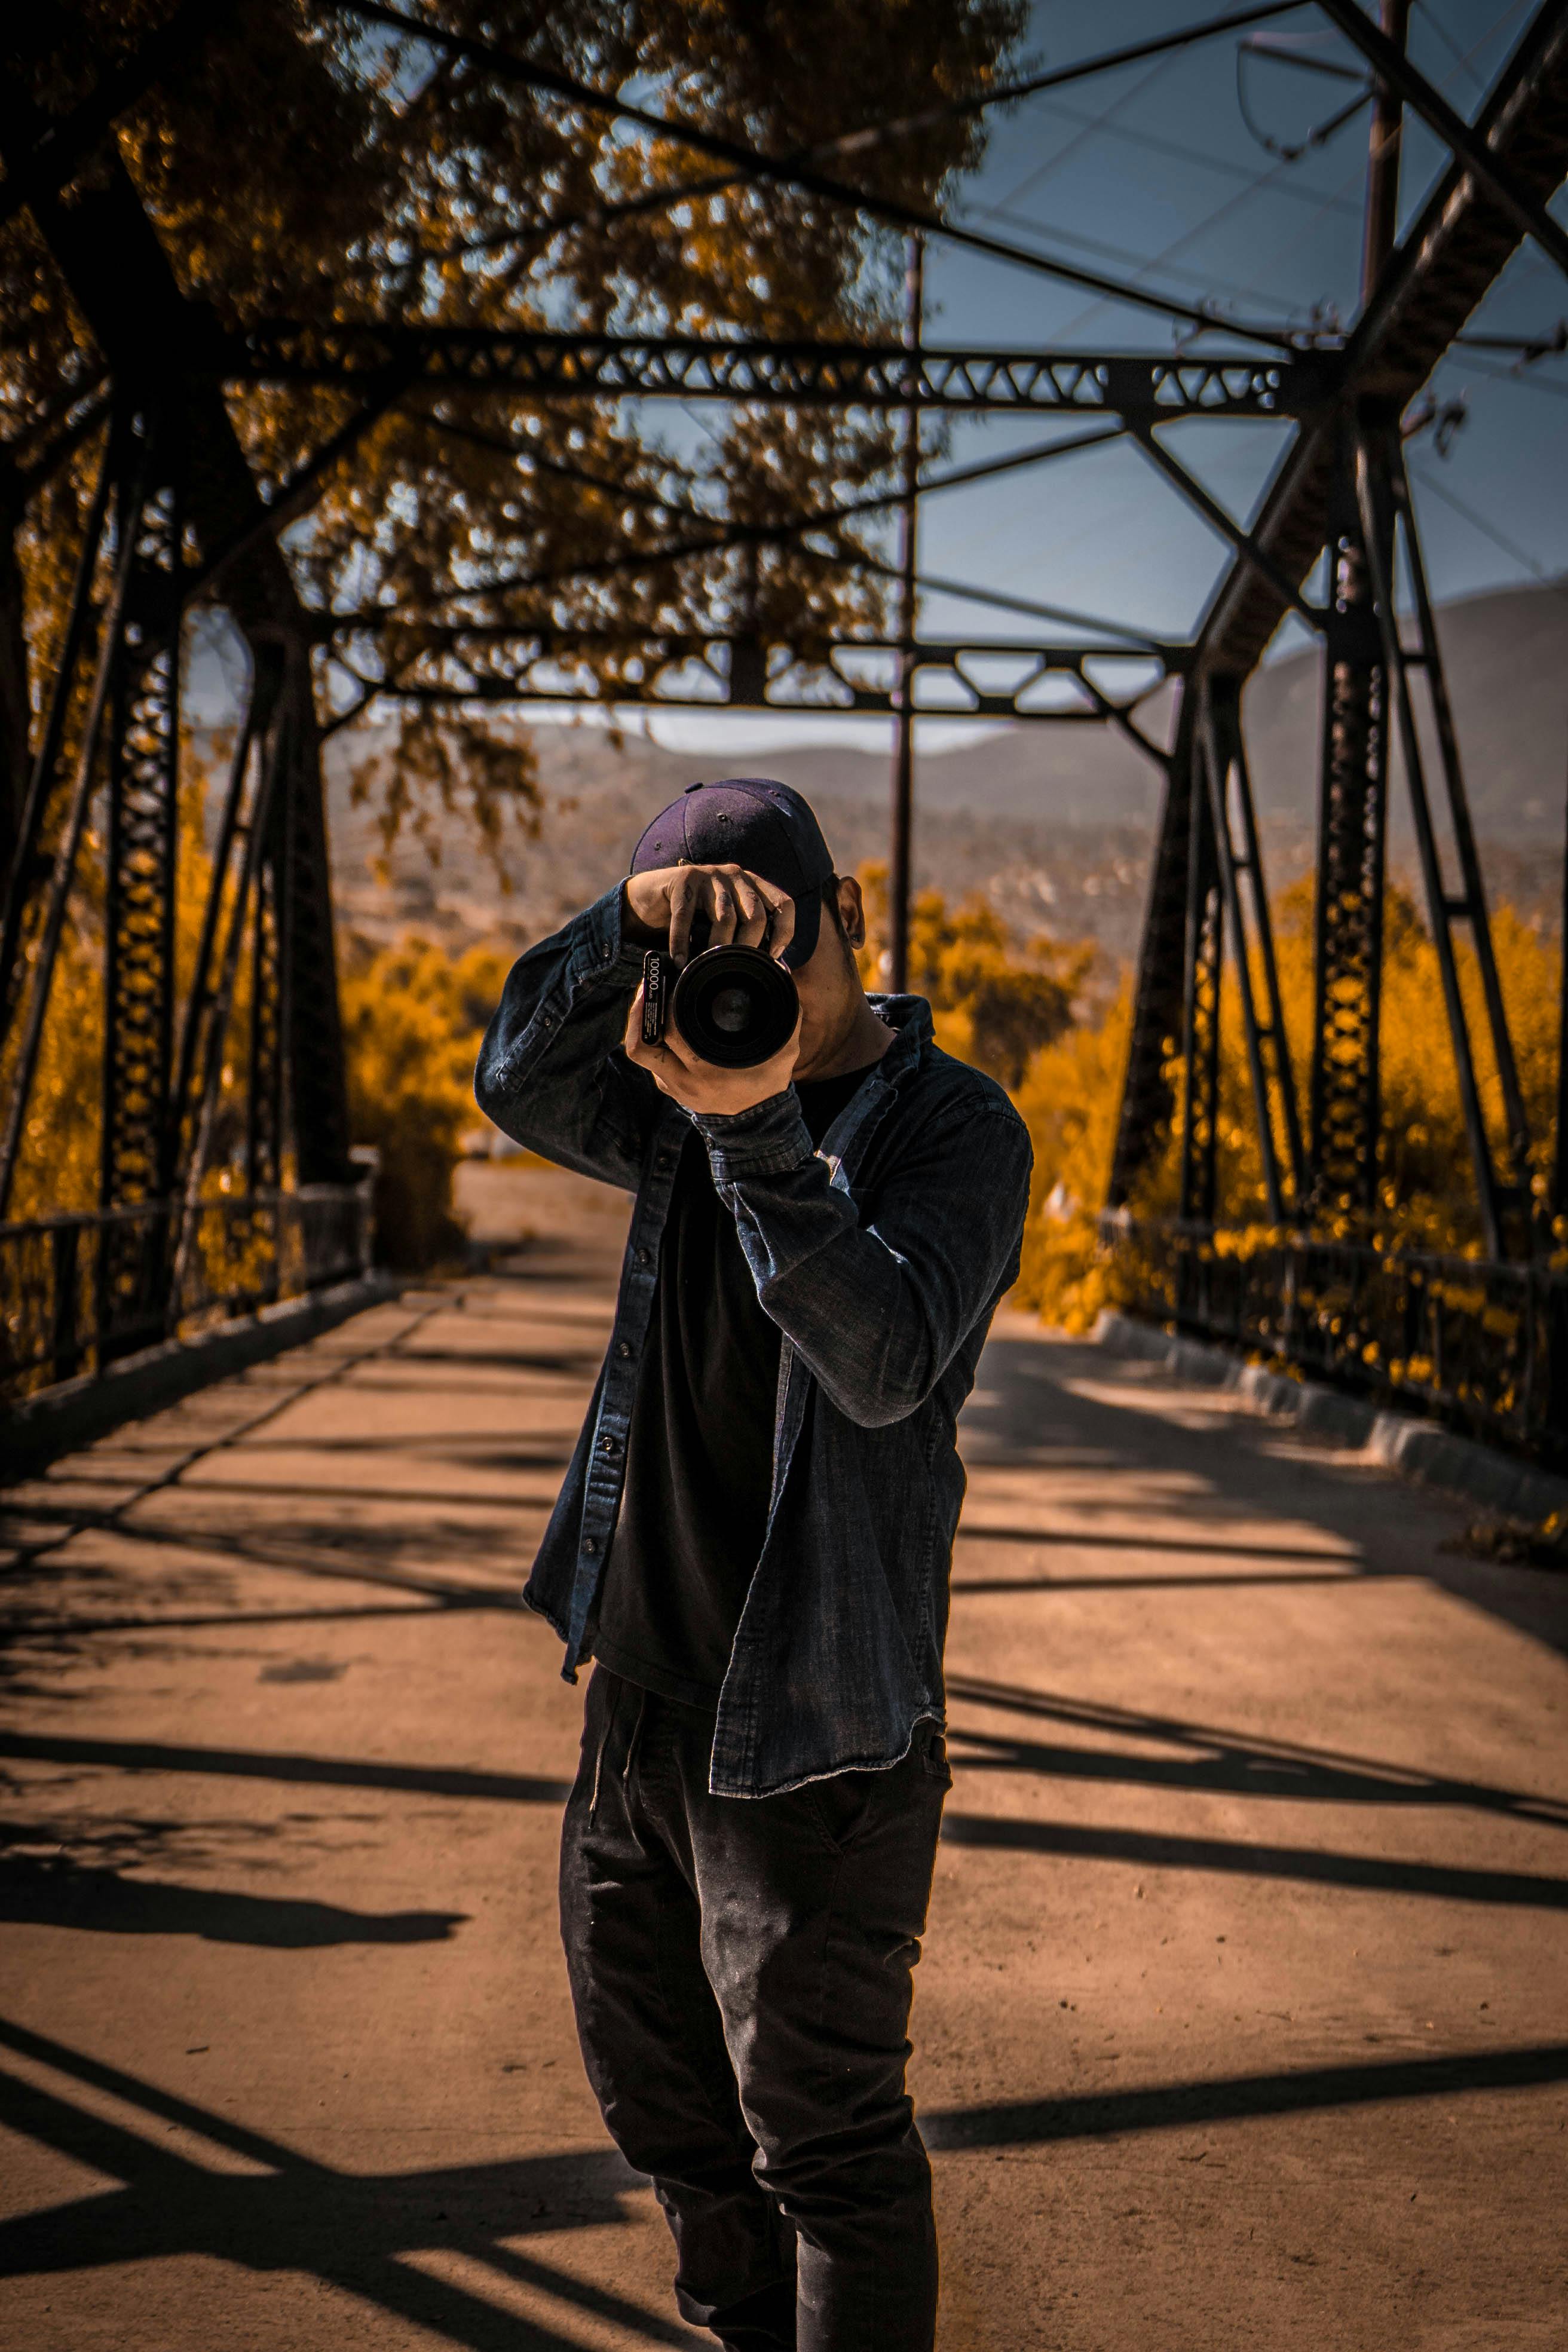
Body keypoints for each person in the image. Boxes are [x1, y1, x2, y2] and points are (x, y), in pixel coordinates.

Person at [474, 777, 1031, 2352]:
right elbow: (514, 1077)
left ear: (848, 918)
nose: (750, 991)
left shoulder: (953, 1127)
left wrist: (759, 1126)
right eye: (708, 952)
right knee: (675, 2133)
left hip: (815, 1737)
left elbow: (883, 1354)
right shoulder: (664, 1084)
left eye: (775, 941)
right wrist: (624, 931)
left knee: (828, 2151)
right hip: (639, 1705)